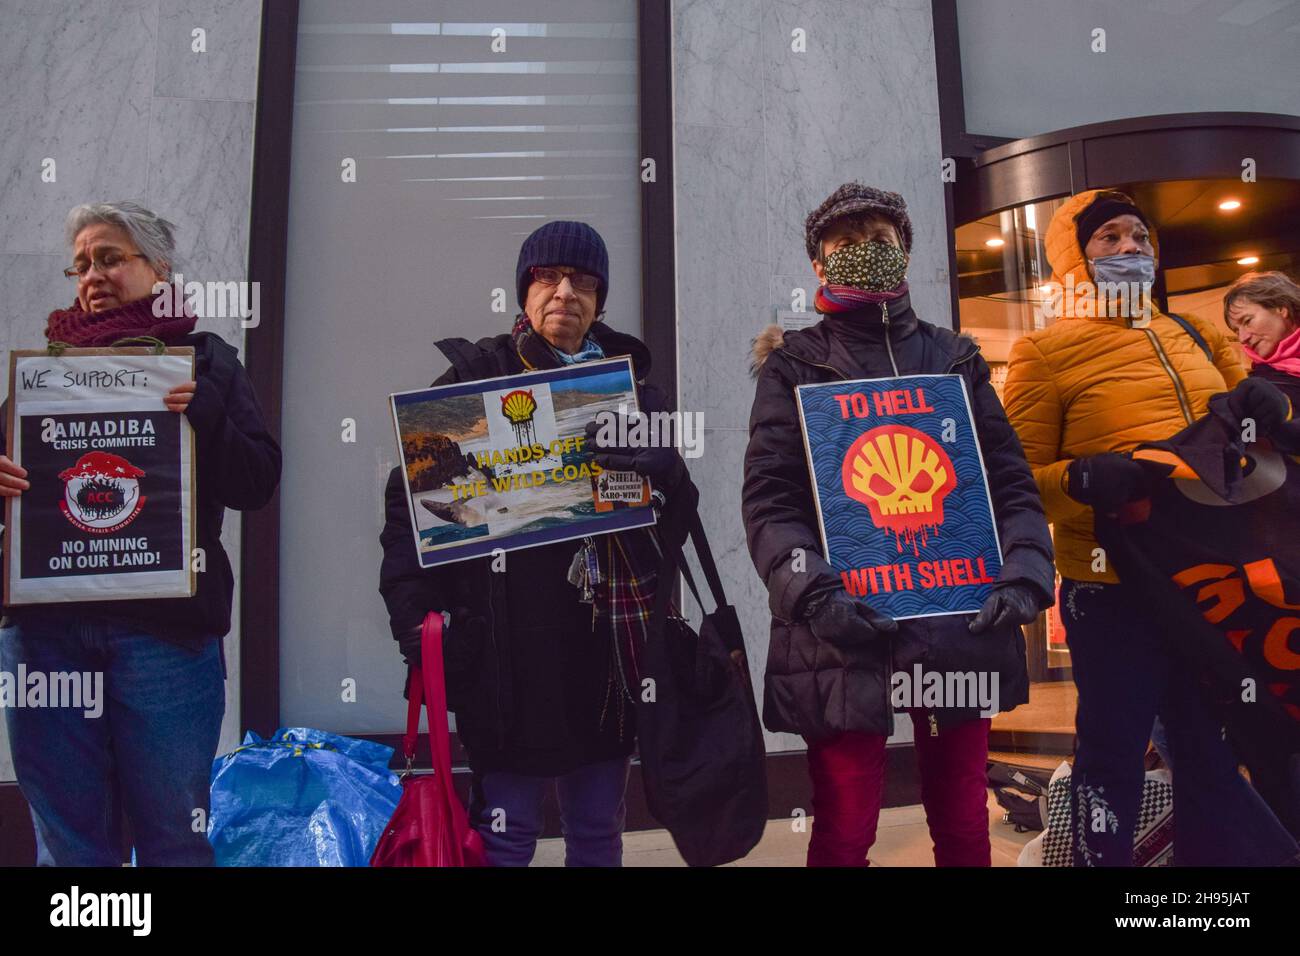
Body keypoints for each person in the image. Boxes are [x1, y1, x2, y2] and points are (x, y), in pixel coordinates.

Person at [742, 183, 1055, 867]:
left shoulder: (955, 359)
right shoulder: (795, 365)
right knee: (845, 828)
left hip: (959, 619)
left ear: (905, 254)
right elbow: (770, 502)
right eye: (845, 245)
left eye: (879, 242)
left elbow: (1011, 483)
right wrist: (813, 594)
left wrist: (1027, 571)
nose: (864, 255)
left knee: (964, 821)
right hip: (842, 632)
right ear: (819, 266)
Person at [378, 220, 695, 867]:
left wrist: (664, 469)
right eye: (547, 277)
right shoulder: (475, 379)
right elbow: (411, 505)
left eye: (582, 280)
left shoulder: (633, 391)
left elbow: (679, 515)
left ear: (600, 298)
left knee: (598, 826)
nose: (564, 292)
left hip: (606, 645)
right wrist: (415, 616)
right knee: (505, 832)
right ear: (523, 291)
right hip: (504, 654)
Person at [1003, 188, 1298, 865]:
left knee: (1206, 748)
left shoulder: (1193, 336)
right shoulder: (1043, 356)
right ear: (1073, 257)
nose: (1131, 248)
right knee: (1112, 752)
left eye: (1139, 236)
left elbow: (1248, 437)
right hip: (1109, 588)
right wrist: (1078, 480)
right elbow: (1013, 482)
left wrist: (1267, 405)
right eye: (1109, 237)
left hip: (1204, 577)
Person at [0, 201, 281, 865]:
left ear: (159, 270)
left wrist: (206, 412)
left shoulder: (207, 364)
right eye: (82, 264)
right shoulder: (41, 376)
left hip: (165, 640)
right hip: (46, 640)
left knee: (174, 839)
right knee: (69, 844)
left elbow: (258, 484)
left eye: (111, 258)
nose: (92, 275)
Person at [1223, 270, 1300, 408]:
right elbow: (1250, 429)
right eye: (1236, 331)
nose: (1242, 338)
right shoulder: (1259, 393)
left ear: (1281, 307)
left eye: (1247, 321)